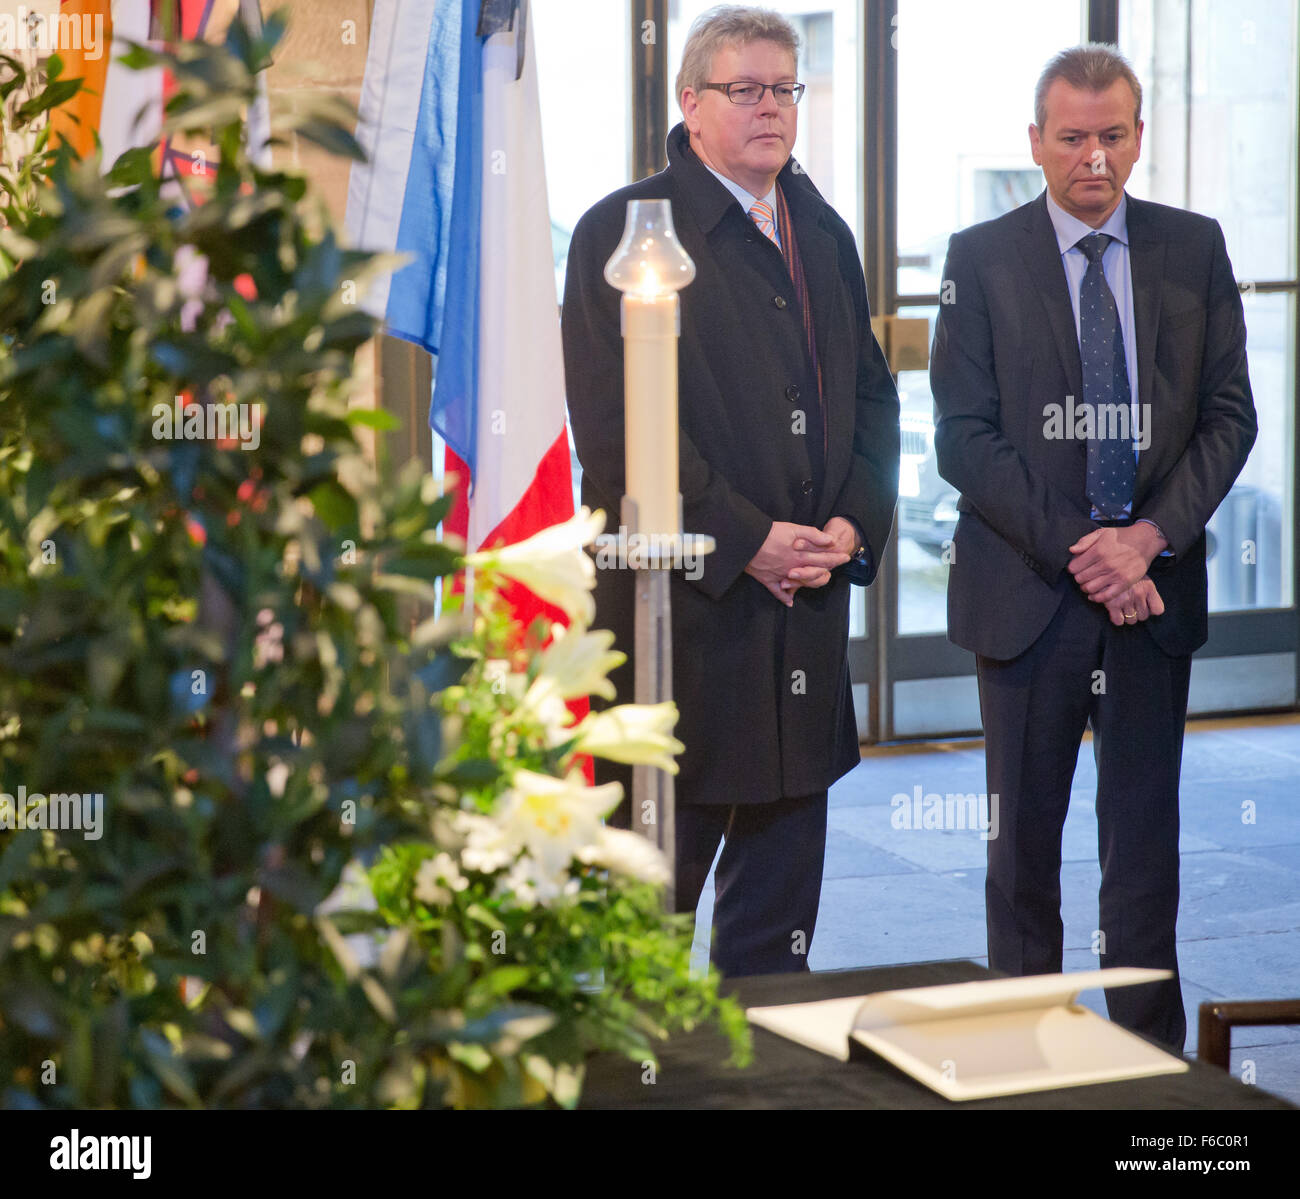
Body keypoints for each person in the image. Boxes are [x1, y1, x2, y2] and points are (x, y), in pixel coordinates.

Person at [561, 4, 899, 977]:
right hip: (687, 629)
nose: (770, 109)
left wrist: (849, 520)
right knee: (644, 935)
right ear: (690, 103)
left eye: (784, 89)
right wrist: (750, 538)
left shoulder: (822, 229)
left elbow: (872, 397)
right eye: (744, 90)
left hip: (804, 623)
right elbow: (621, 438)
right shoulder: (623, 232)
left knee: (773, 947)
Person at [930, 43, 1256, 1048]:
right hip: (1029, 597)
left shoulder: (1191, 247)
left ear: (1138, 136)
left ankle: (1152, 1065)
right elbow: (963, 436)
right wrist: (1091, 549)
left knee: (1143, 852)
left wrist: (1147, 538)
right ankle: (1014, 1049)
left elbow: (1228, 415)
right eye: (1071, 137)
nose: (1094, 158)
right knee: (1020, 851)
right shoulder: (979, 258)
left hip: (1152, 601)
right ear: (1035, 142)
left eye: (1112, 135)